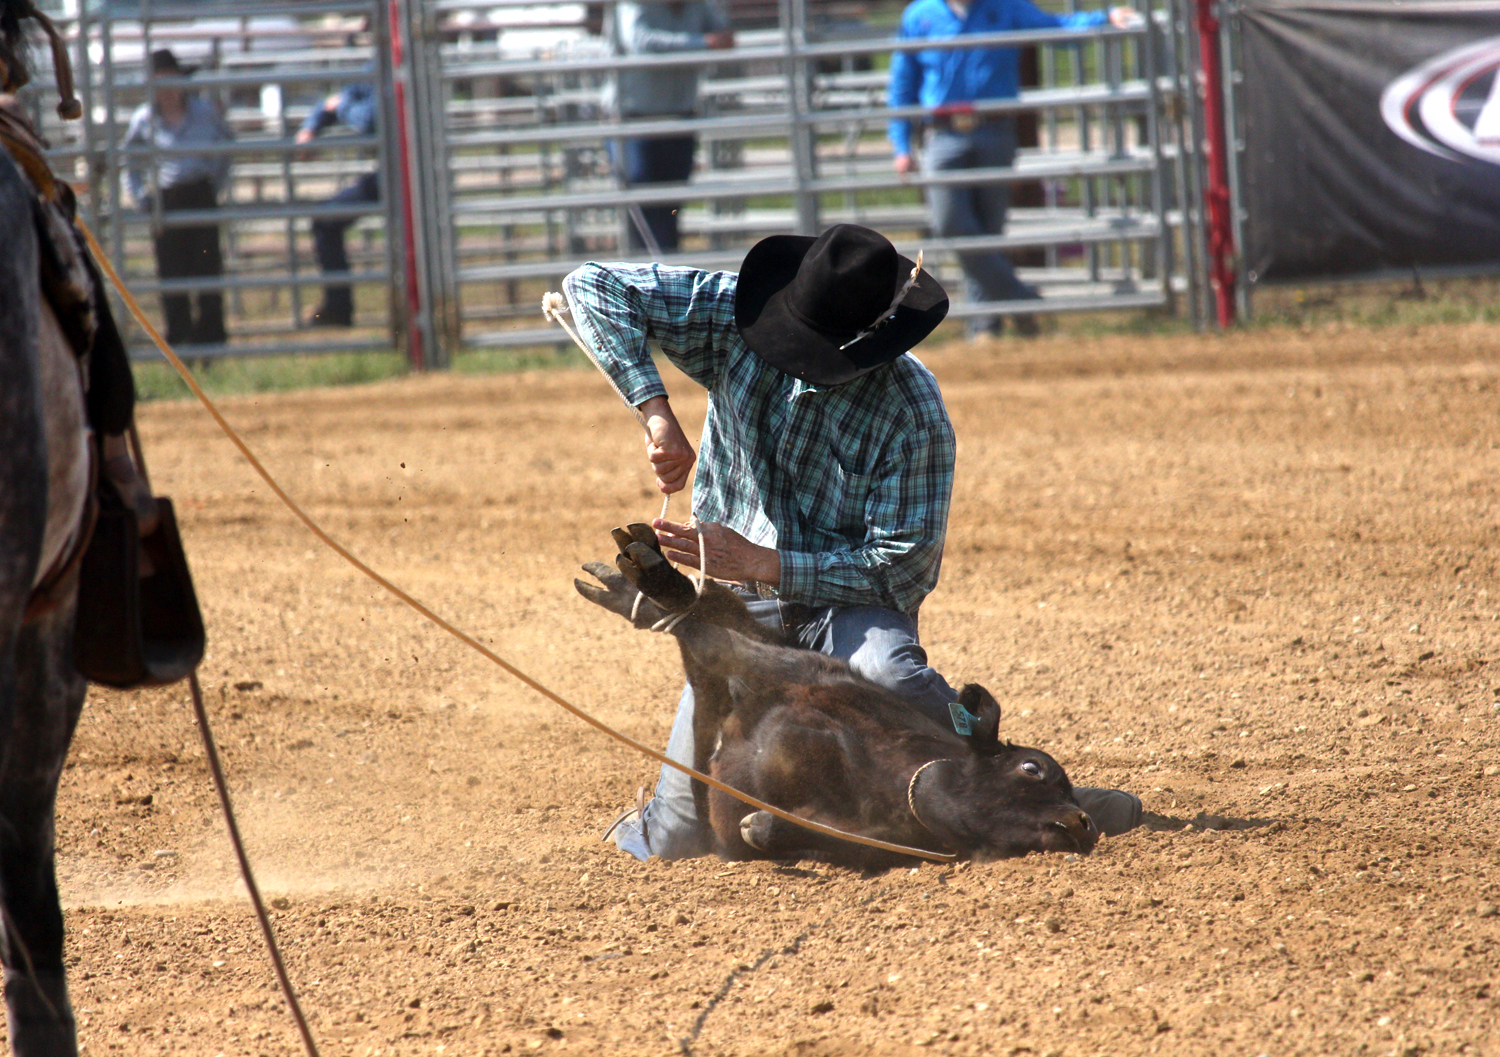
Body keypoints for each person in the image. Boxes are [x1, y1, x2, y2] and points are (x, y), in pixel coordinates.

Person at [562, 223, 1142, 861]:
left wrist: (767, 562)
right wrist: (656, 412)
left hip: (845, 607)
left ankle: (1020, 789)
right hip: (735, 604)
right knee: (677, 835)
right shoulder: (734, 315)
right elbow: (590, 286)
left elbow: (900, 568)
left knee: (888, 671)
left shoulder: (912, 413)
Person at [888, 0, 1140, 339]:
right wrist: (901, 143)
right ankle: (1022, 301)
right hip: (942, 133)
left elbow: (1055, 29)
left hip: (995, 129)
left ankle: (985, 326)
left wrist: (1103, 18)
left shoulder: (1006, 7)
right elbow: (903, 82)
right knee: (951, 223)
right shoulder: (920, 16)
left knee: (987, 232)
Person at [123, 48, 233, 347]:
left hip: (200, 193)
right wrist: (142, 200)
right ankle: (180, 341)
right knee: (172, 273)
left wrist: (214, 187)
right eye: (160, 82)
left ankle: (211, 341)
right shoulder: (144, 119)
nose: (167, 89)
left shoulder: (205, 111)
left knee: (207, 269)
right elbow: (129, 163)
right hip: (167, 199)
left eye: (171, 80)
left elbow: (226, 150)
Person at [605, 1, 733, 253]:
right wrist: (702, 43)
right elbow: (640, 41)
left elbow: (723, 36)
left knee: (671, 202)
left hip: (678, 118)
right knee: (642, 202)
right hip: (635, 120)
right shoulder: (634, 5)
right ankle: (644, 274)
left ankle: (663, 274)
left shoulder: (699, 6)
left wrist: (709, 40)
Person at [295, 81, 378, 327]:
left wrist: (341, 107)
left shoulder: (391, 63)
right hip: (393, 171)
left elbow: (372, 118)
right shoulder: (375, 66)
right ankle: (338, 308)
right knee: (325, 220)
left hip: (415, 170)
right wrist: (311, 127)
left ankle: (339, 308)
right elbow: (332, 102)